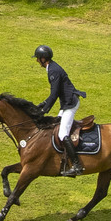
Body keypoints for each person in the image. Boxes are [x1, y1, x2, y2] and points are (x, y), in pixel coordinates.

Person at [33, 44, 86, 176]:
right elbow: (54, 94)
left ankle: (77, 166)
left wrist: (43, 110)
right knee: (56, 127)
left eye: (38, 58)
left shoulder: (53, 71)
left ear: (43, 58)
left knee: (62, 134)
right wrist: (43, 104)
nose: (37, 61)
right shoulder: (52, 68)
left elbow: (54, 93)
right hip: (66, 103)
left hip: (70, 104)